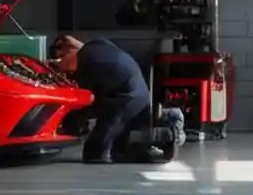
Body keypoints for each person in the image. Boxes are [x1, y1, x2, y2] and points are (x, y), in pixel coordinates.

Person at [53, 35, 174, 164]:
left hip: (126, 96)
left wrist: (71, 123)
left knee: (94, 150)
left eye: (61, 59)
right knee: (128, 143)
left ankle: (167, 135)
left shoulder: (88, 65)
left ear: (70, 52)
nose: (61, 66)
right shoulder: (97, 44)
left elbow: (86, 102)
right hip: (140, 91)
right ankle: (155, 140)